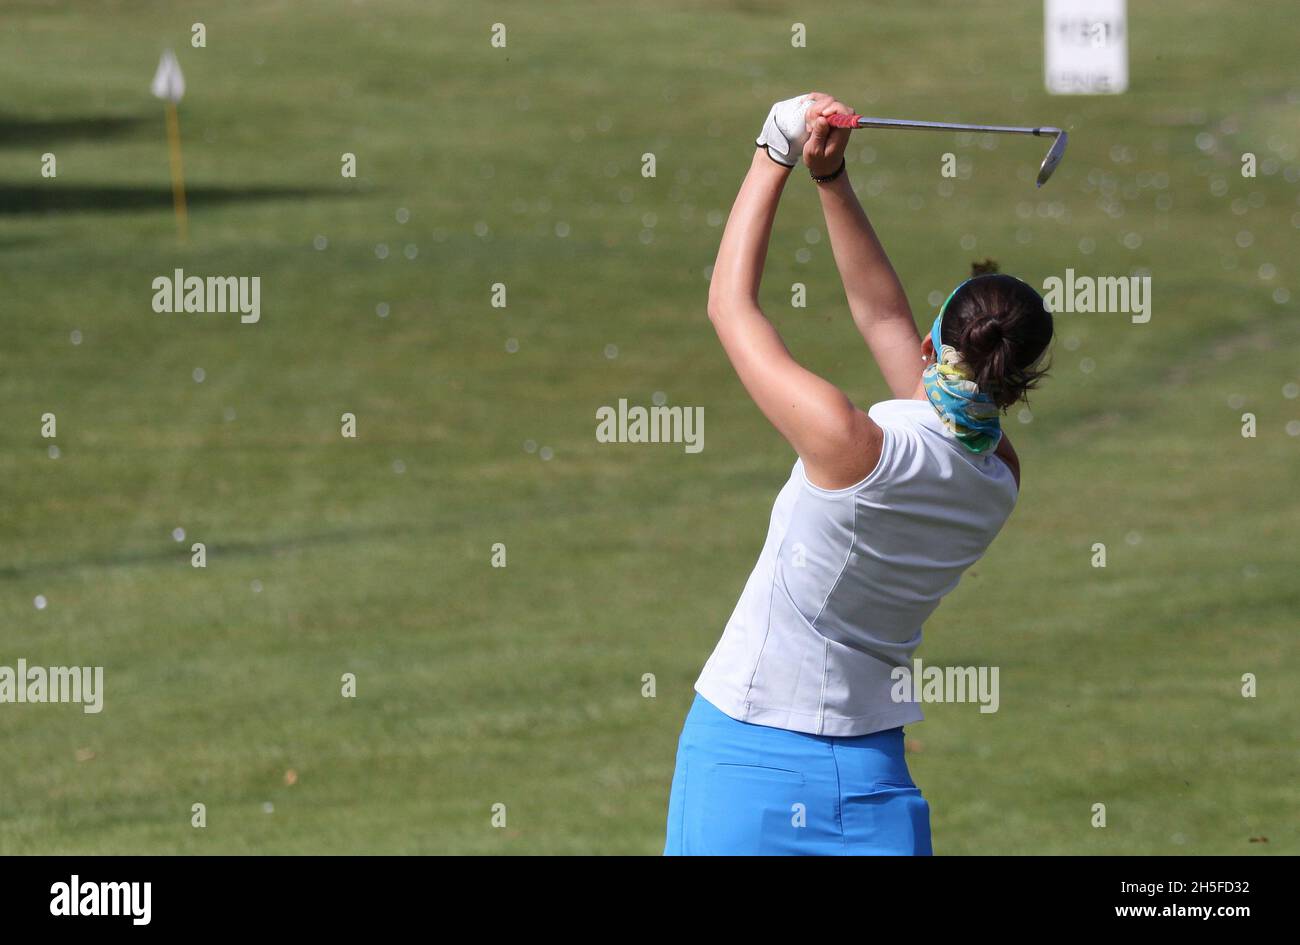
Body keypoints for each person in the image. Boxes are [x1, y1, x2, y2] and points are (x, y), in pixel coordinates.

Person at [664, 92, 1053, 855]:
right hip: (874, 780)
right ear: (1017, 377)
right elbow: (884, 323)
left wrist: (772, 152)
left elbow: (728, 306)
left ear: (939, 340)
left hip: (744, 759)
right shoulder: (999, 474)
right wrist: (832, 182)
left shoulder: (851, 444)